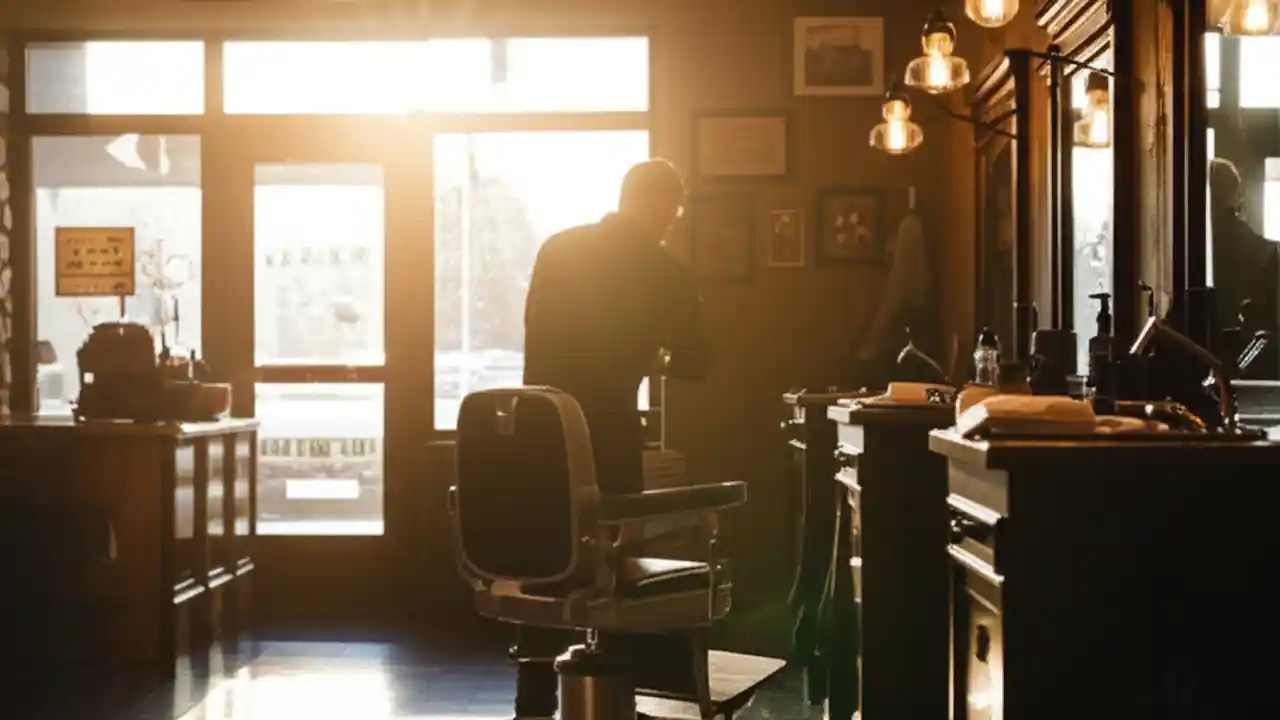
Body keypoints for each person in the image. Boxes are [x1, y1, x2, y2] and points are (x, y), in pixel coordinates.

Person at [512, 158, 709, 719]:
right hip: (609, 436)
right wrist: (656, 354)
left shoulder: (557, 248)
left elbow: (537, 338)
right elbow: (696, 362)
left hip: (541, 433)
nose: (672, 221)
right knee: (614, 564)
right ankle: (612, 690)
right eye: (673, 210)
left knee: (546, 561)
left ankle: (532, 699)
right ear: (665, 208)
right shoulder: (665, 271)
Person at [1210, 158, 1278, 377]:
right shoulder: (1254, 245)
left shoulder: (1192, 237)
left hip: (1220, 343)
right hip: (1239, 347)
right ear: (1234, 195)